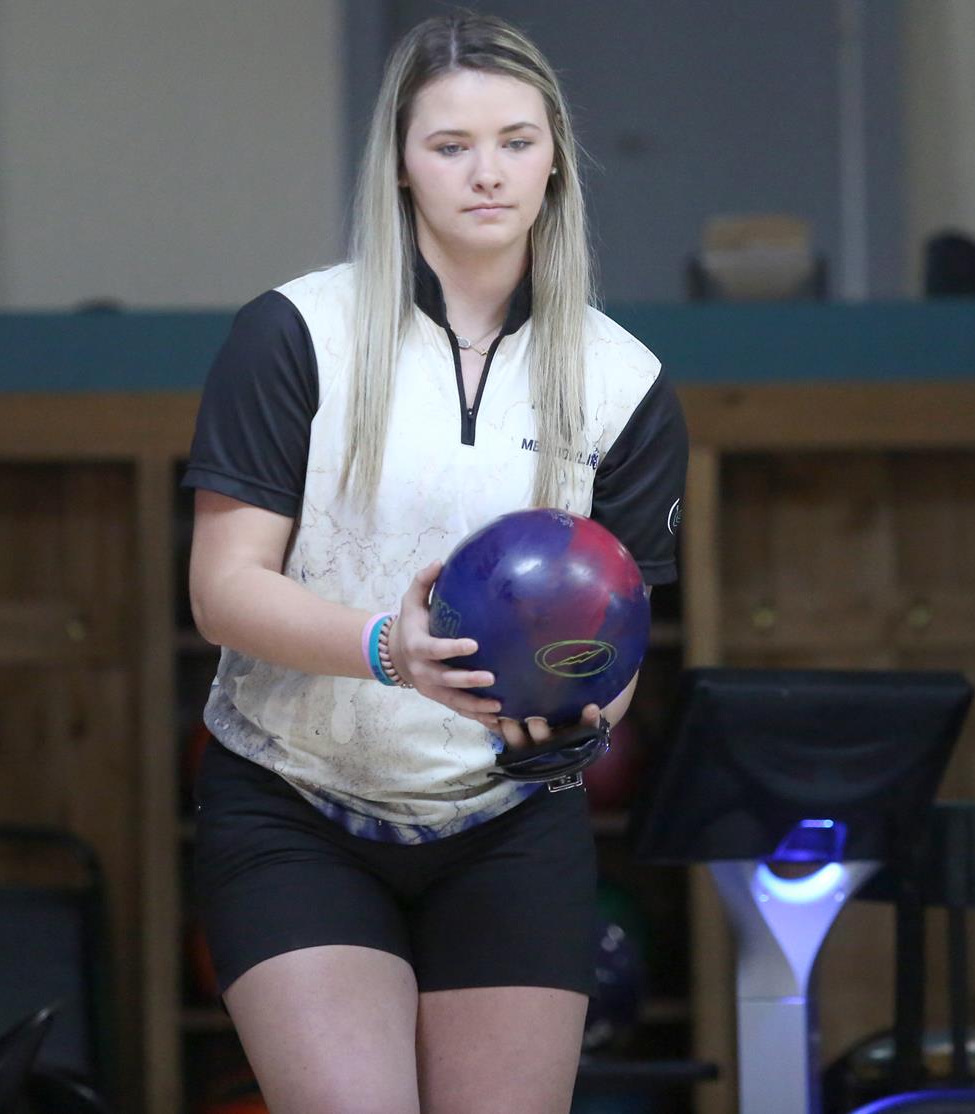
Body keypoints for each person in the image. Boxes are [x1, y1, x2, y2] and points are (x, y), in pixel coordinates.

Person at [183, 11, 687, 1113]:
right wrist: (386, 649)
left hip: (505, 823)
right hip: (291, 807)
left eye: (513, 140)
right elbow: (221, 593)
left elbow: (620, 633)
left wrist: (578, 714)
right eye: (448, 145)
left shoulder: (623, 379)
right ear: (401, 166)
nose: (486, 173)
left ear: (554, 155)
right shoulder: (292, 334)